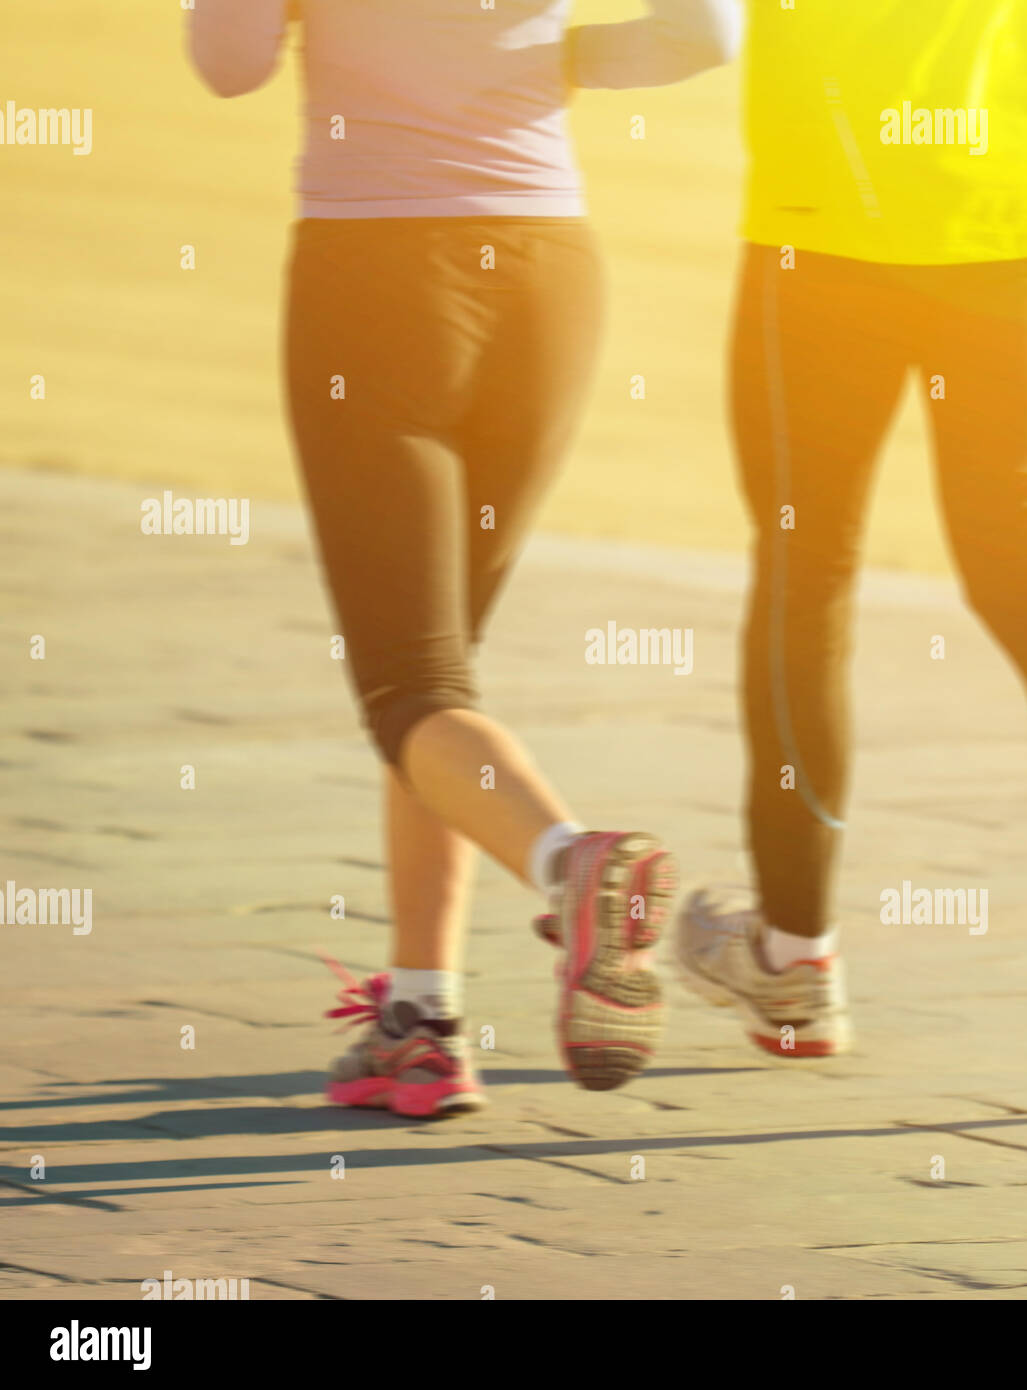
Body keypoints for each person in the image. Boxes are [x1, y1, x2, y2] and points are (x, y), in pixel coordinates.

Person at [187, 0, 739, 1116]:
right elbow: (707, 31)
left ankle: (572, 868)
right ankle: (422, 1017)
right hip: (549, 273)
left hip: (379, 275)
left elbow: (228, 62)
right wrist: (568, 55)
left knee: (411, 686)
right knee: (441, 680)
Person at [676, 0, 1027, 1110]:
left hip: (825, 224)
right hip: (1014, 216)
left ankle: (793, 961)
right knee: (1015, 550)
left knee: (804, 575)